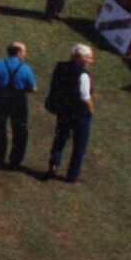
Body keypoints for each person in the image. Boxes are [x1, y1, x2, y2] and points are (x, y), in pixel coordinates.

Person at [44, 44, 95, 183]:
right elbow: (85, 96)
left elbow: (52, 83)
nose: (91, 61)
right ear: (79, 57)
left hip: (63, 110)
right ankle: (72, 175)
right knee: (79, 144)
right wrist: (91, 110)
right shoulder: (83, 74)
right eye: (89, 58)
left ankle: (53, 165)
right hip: (79, 113)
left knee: (60, 138)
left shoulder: (60, 67)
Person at [0, 43, 39, 169]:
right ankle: (15, 160)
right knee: (20, 130)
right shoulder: (25, 68)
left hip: (1, 98)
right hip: (18, 100)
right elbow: (33, 88)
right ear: (18, 53)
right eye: (24, 51)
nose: (25, 54)